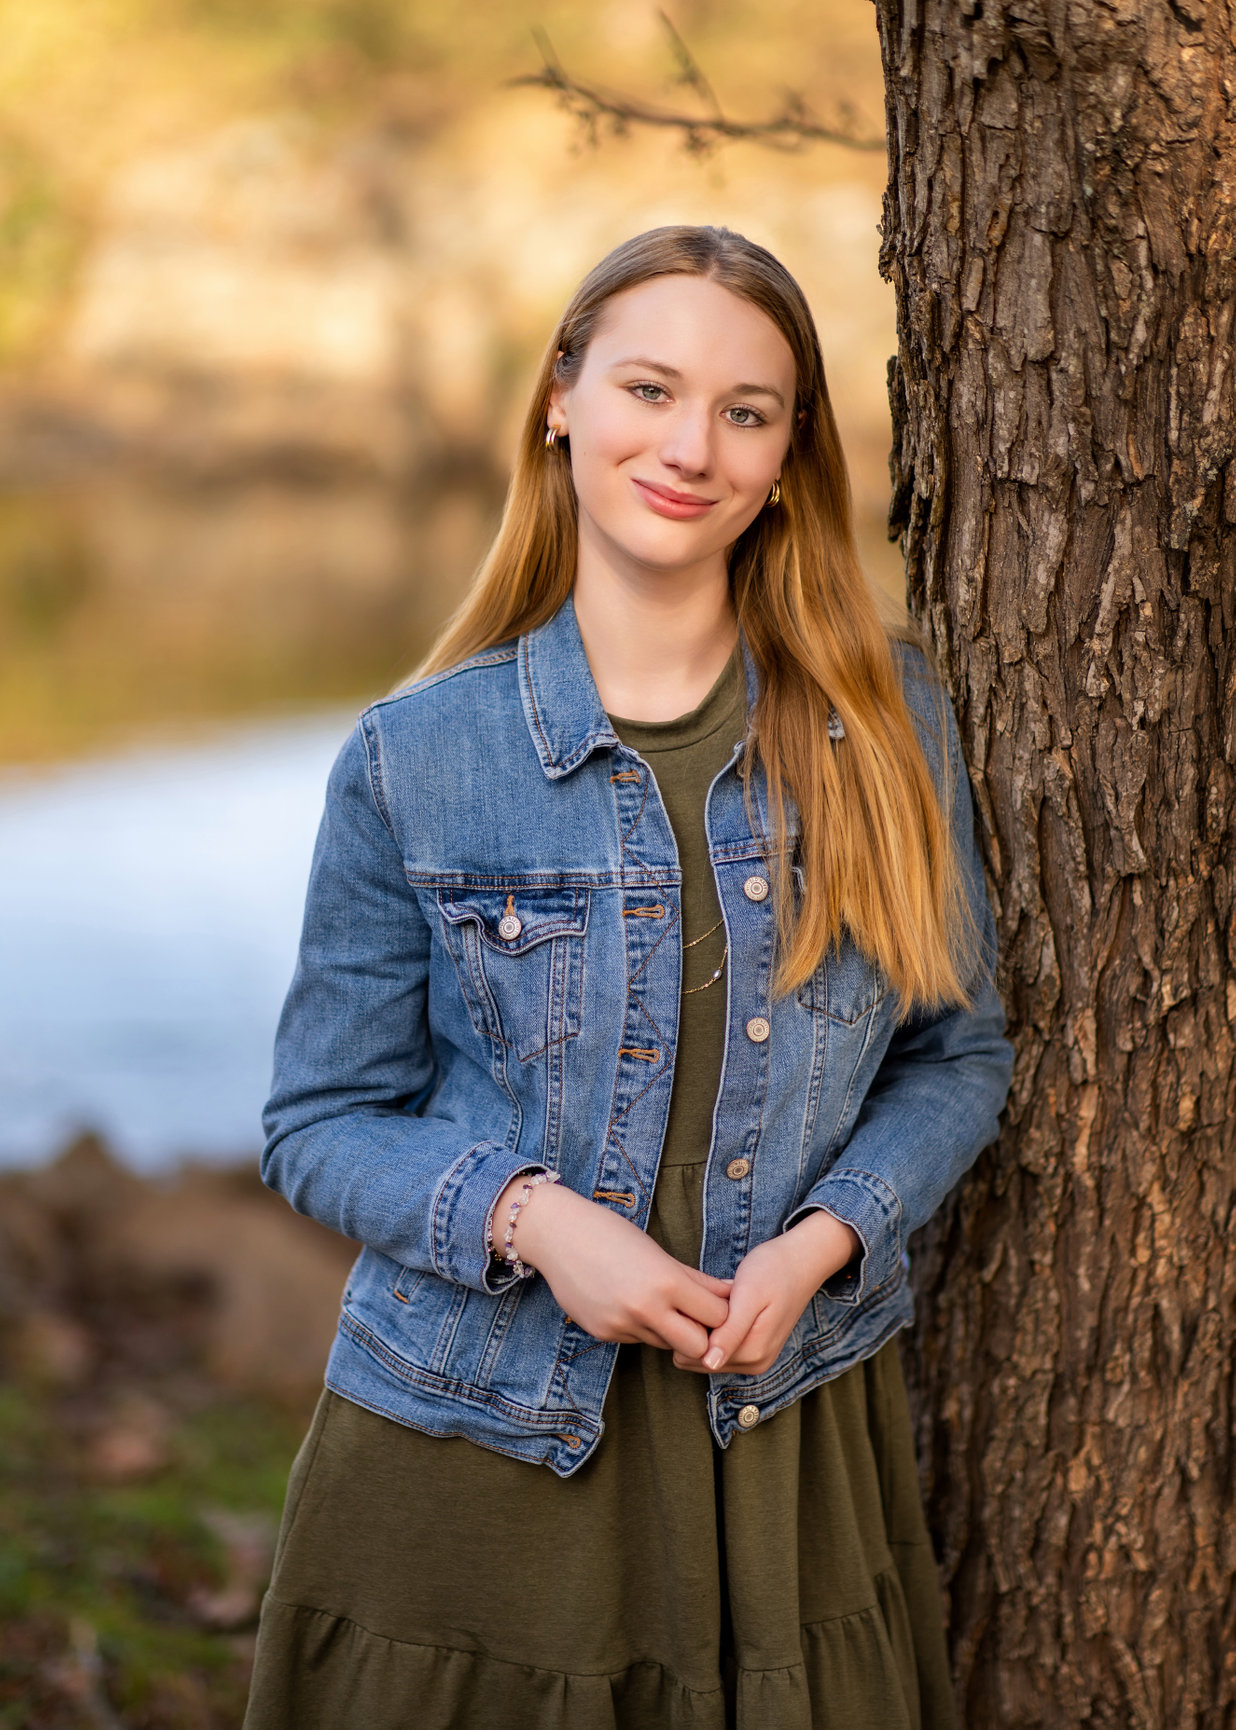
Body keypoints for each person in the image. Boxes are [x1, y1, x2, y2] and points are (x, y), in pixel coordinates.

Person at [243, 224, 1013, 1730]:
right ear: (560, 401)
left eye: (746, 409)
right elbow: (318, 1119)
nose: (691, 447)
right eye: (649, 389)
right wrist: (537, 1223)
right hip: (469, 1453)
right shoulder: (419, 755)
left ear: (792, 456)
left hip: (784, 1444)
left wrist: (825, 1244)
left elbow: (957, 1053)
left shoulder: (890, 724)